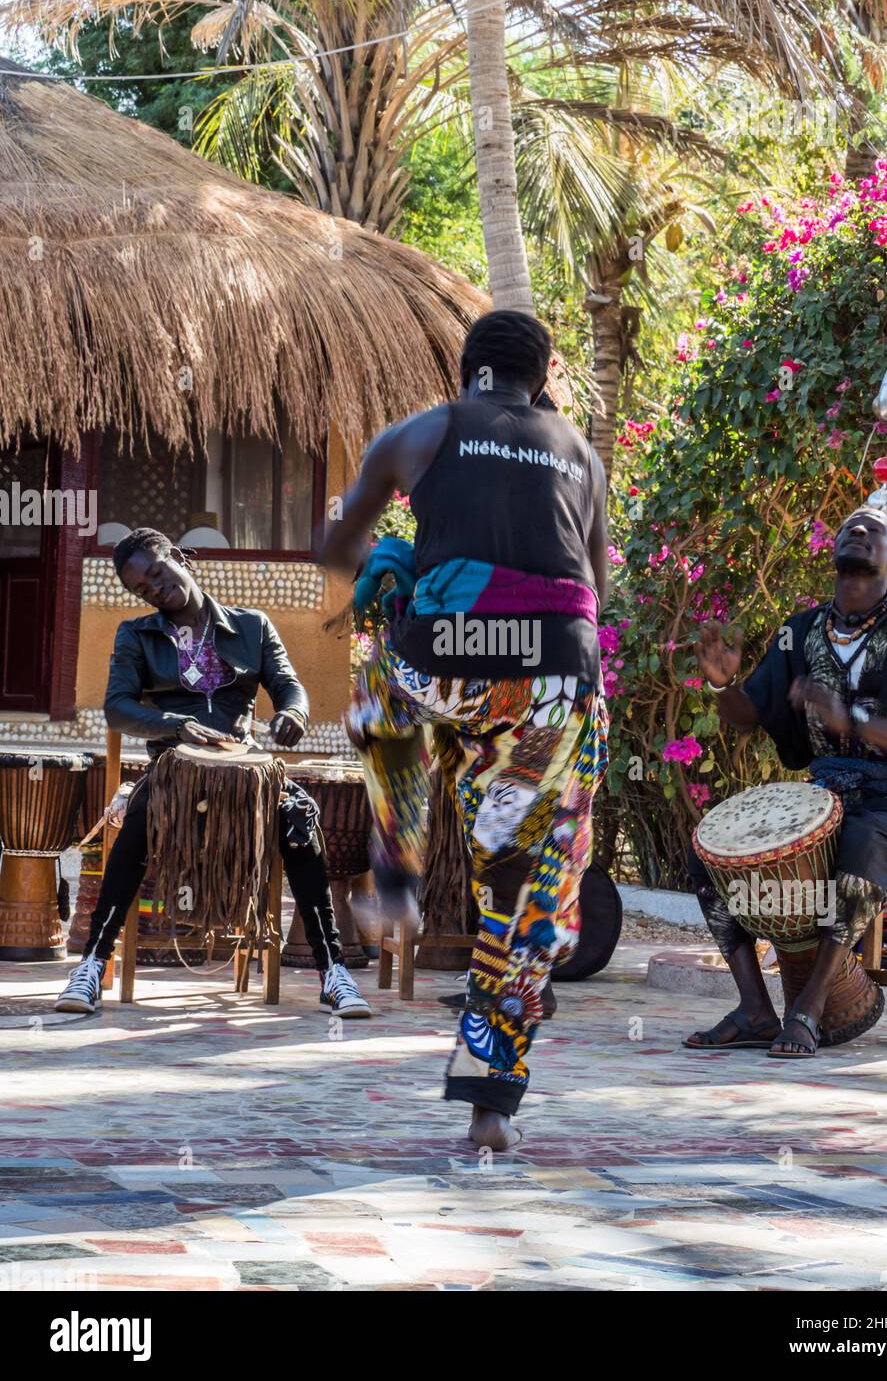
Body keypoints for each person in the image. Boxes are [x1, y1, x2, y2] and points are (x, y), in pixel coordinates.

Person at [318, 310, 608, 1149]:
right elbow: (595, 584)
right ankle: (489, 1111)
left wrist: (385, 560)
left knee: (382, 685)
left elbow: (338, 547)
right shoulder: (582, 454)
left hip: (439, 657)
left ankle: (398, 861)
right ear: (546, 372)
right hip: (554, 677)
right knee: (518, 897)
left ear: (465, 368)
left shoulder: (422, 431)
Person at [55, 528, 371, 1019]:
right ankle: (92, 965)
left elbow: (289, 685)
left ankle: (335, 973)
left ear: (179, 558)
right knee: (136, 822)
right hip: (174, 770)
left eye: (157, 574)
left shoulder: (251, 626)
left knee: (300, 821)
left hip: (246, 773)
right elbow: (117, 707)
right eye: (143, 589)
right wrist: (173, 724)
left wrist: (294, 714)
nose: (155, 590)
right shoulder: (136, 636)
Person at [686, 506, 887, 1057]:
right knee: (706, 856)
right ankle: (756, 1008)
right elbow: (752, 714)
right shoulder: (801, 632)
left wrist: (852, 721)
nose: (855, 531)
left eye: (872, 529)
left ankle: (809, 1008)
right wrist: (722, 687)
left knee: (857, 844)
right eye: (847, 527)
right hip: (824, 794)